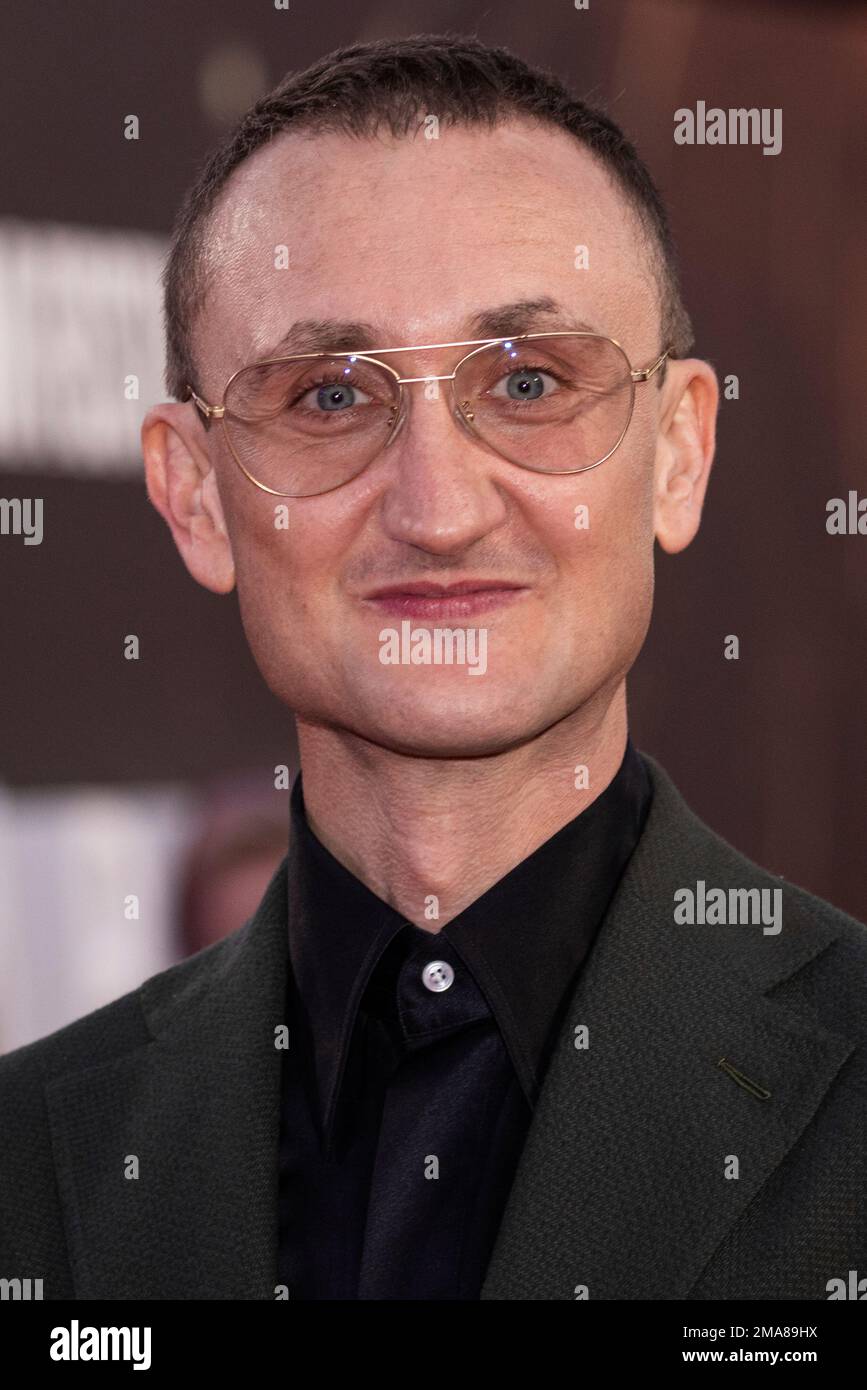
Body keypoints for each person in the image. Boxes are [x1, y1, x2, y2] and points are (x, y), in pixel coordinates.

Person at [1, 34, 865, 1302]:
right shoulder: (32, 1165)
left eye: (527, 381)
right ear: (192, 497)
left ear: (678, 455)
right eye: (331, 399)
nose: (439, 506)